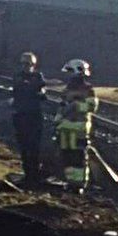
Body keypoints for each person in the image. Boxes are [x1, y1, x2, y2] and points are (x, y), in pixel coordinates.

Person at [54, 59, 98, 193]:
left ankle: (79, 185)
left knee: (78, 158)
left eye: (69, 72)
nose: (68, 76)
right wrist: (57, 122)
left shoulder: (88, 89)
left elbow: (92, 106)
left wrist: (76, 106)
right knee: (67, 156)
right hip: (66, 130)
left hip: (78, 130)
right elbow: (61, 107)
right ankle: (70, 182)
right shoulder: (67, 89)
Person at [12, 52, 47, 184]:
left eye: (28, 64)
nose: (26, 67)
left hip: (34, 115)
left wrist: (36, 91)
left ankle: (34, 173)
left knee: (34, 146)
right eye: (24, 64)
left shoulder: (38, 76)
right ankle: (28, 173)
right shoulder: (18, 76)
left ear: (33, 65)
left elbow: (42, 93)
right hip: (21, 115)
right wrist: (34, 90)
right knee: (24, 146)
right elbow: (21, 90)